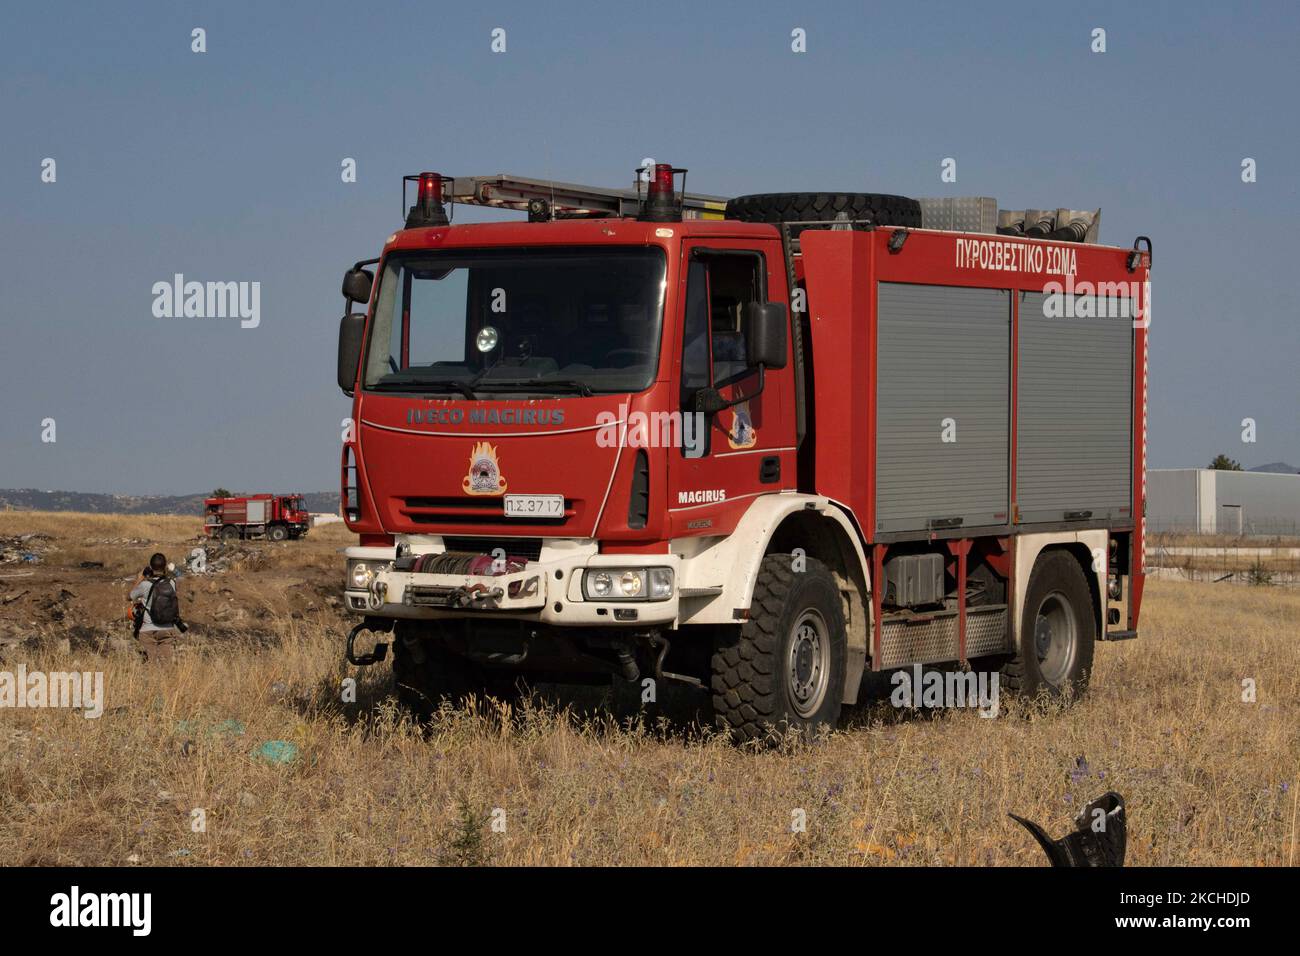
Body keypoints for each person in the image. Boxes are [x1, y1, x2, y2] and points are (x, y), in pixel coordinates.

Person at [130, 552, 185, 664]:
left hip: (148, 630)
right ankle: (168, 680)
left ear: (150, 567)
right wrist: (174, 570)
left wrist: (140, 578)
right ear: (164, 567)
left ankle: (154, 678)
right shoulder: (172, 583)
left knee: (151, 662)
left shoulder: (144, 585)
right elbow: (182, 578)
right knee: (167, 663)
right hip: (167, 628)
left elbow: (129, 596)